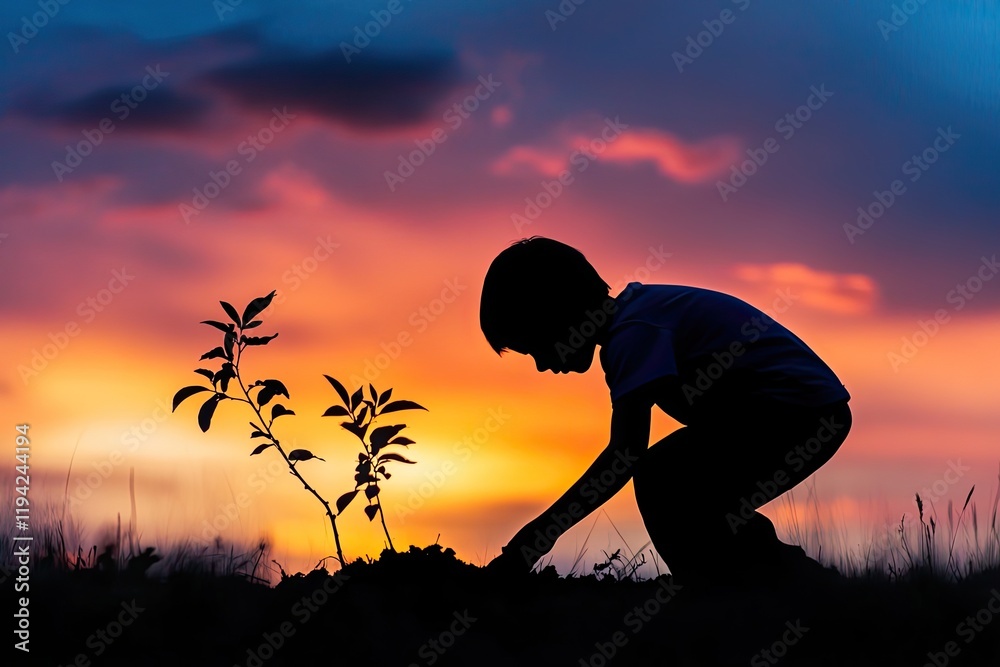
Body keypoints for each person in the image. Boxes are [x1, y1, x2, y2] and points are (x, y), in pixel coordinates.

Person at [479, 237, 852, 586]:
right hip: (803, 413)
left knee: (661, 476)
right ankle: (785, 585)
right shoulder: (637, 319)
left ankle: (709, 589)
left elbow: (623, 456)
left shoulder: (634, 333)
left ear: (556, 314)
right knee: (701, 505)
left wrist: (536, 539)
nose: (541, 365)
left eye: (535, 346)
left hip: (800, 414)